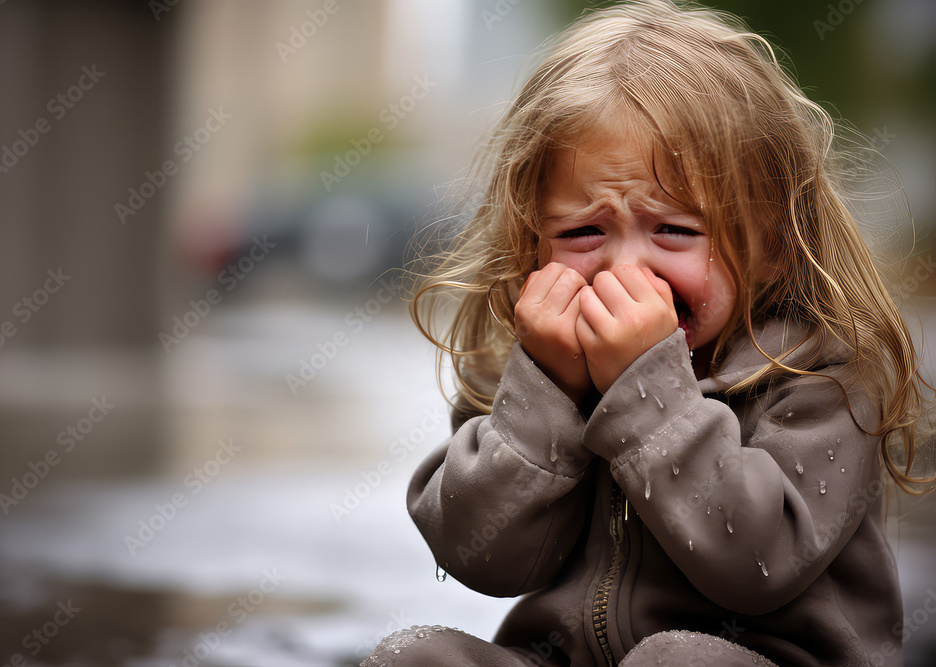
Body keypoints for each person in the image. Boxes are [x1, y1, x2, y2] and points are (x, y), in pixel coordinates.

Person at [364, 1, 933, 665]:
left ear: (772, 245)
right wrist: (546, 392)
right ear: (532, 245)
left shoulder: (820, 373)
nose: (625, 268)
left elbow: (757, 562)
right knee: (415, 655)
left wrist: (647, 391)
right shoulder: (539, 370)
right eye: (583, 232)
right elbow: (477, 555)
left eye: (674, 231)